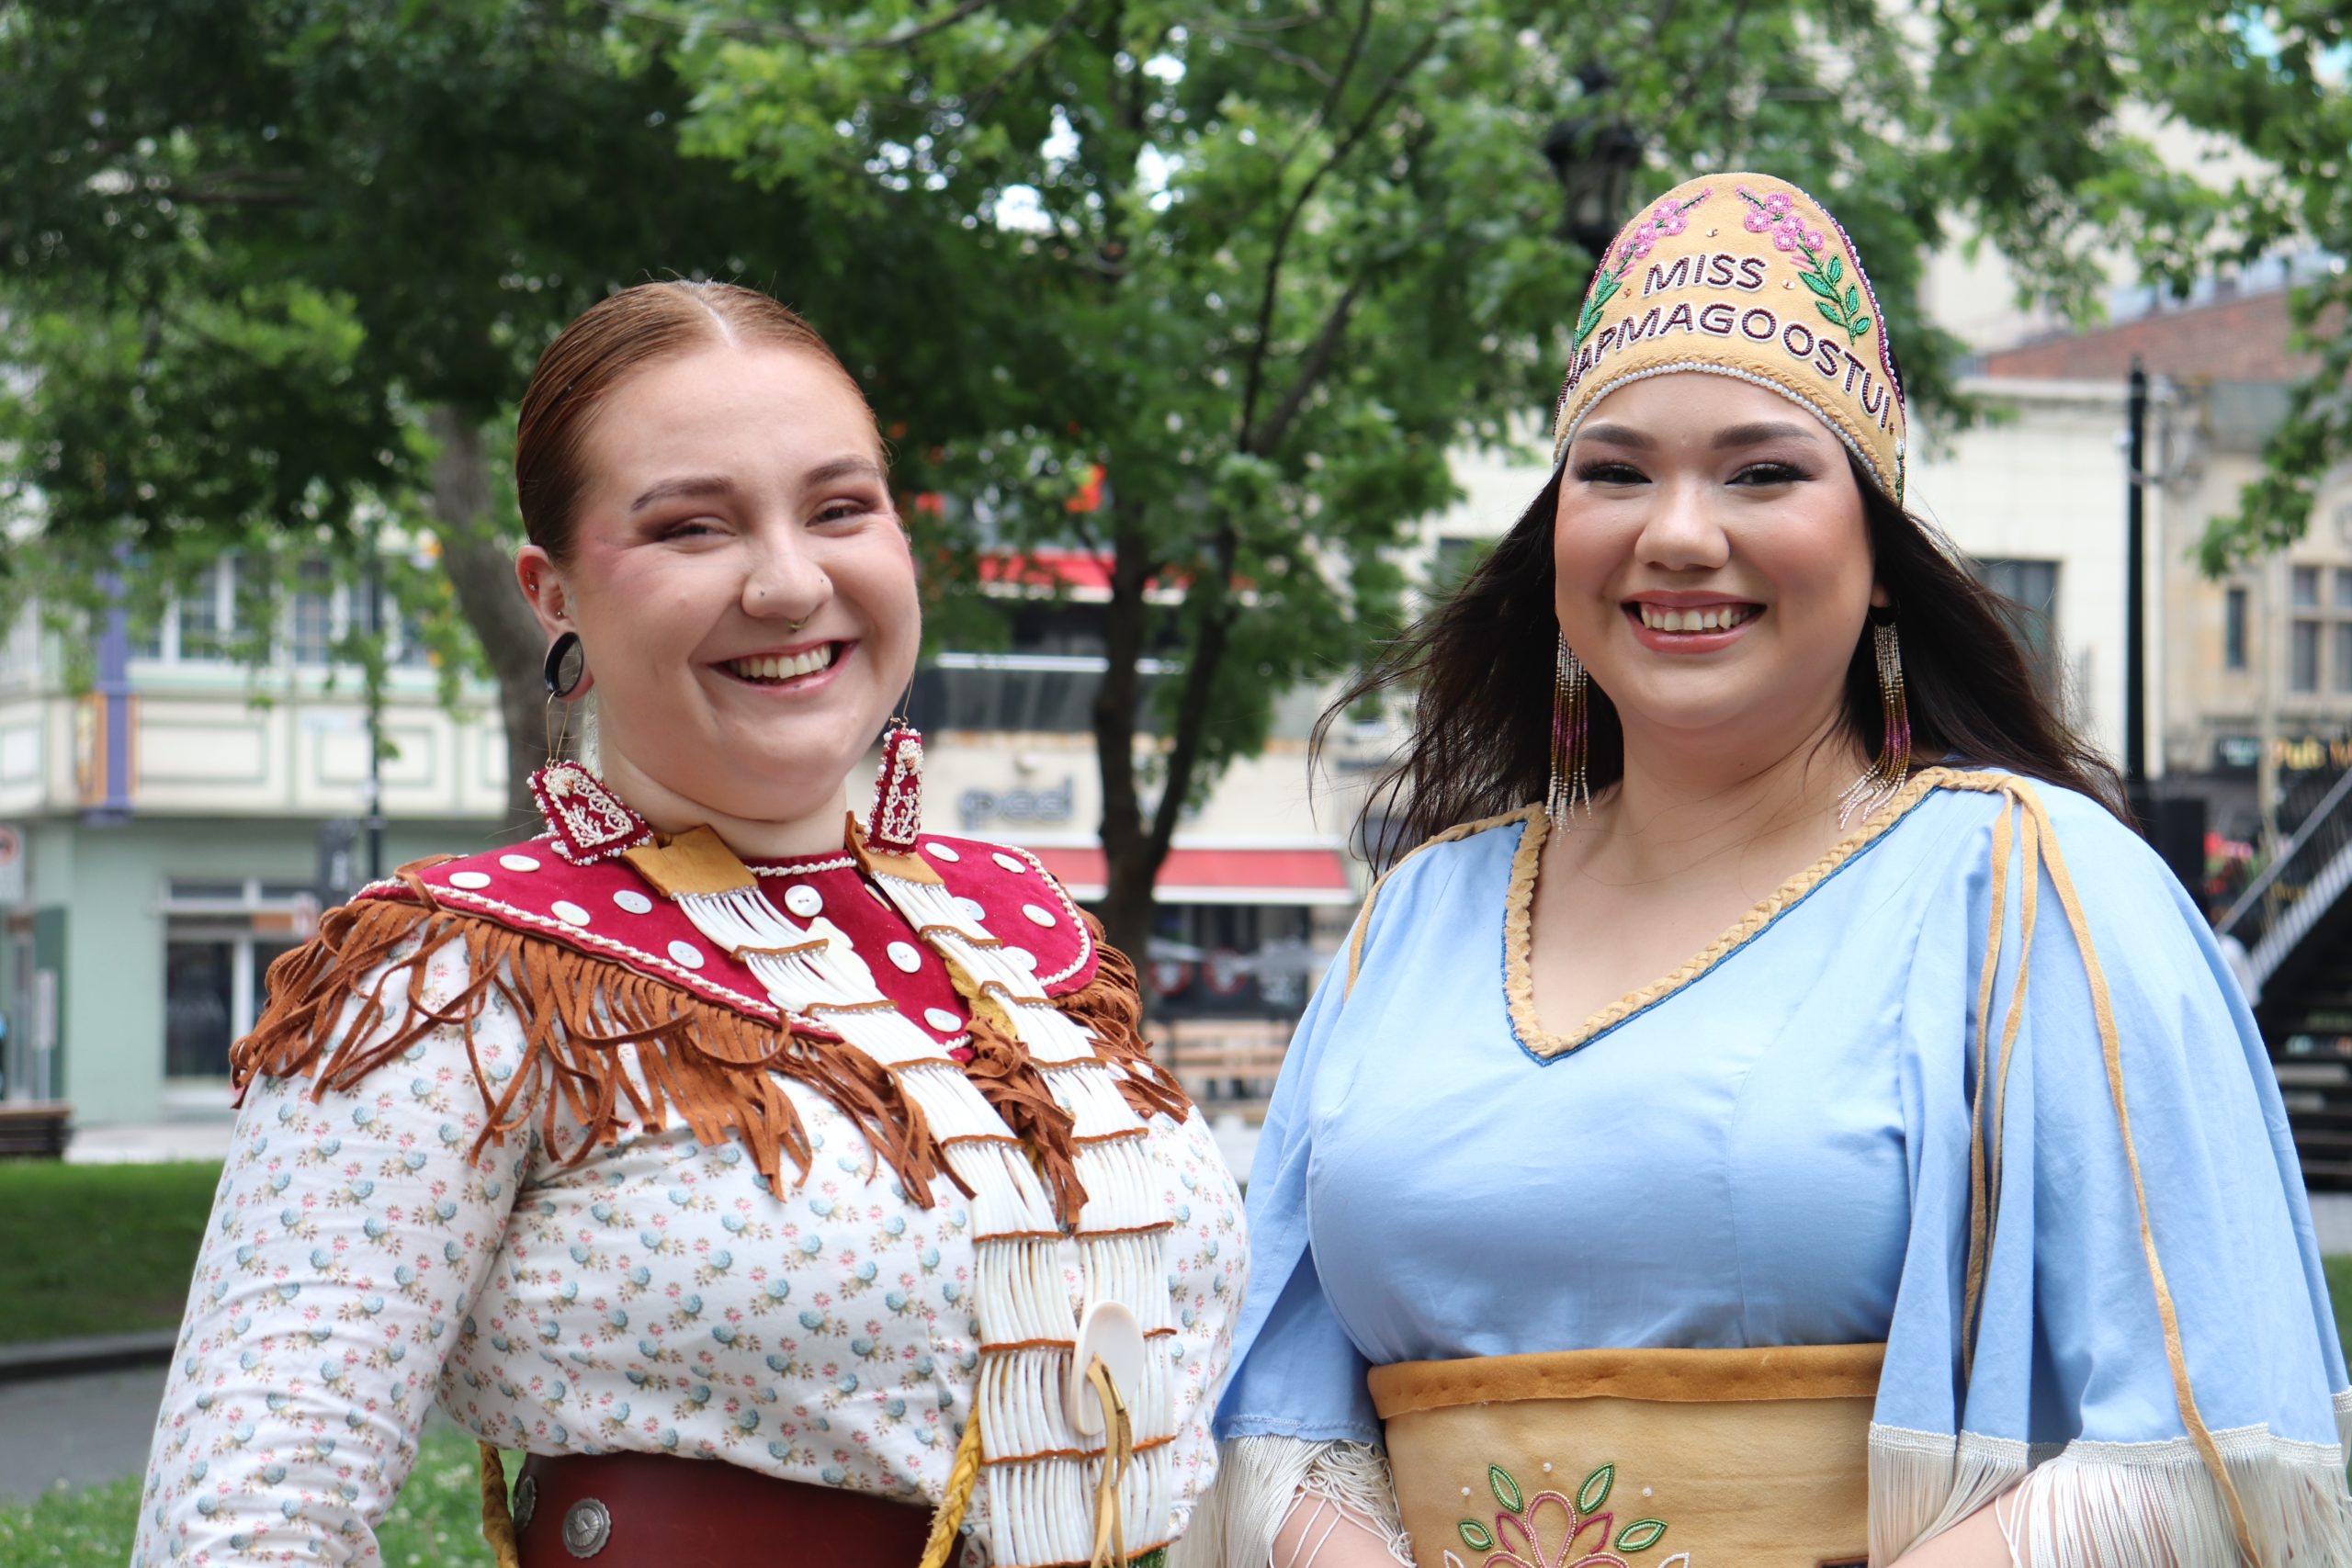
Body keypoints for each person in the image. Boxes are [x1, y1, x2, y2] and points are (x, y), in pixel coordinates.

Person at [1182, 175, 2351, 1568]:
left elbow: (2206, 1443)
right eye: (1613, 471)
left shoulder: (2038, 888)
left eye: (1763, 471)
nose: (1678, 531)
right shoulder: (1416, 916)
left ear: (1878, 549)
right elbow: (1273, 1407)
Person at [134, 281, 1244, 1568]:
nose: (787, 583)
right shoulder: (454, 975)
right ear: (552, 593)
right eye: (692, 528)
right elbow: (252, 1515)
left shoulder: (1022, 926)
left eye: (840, 510)